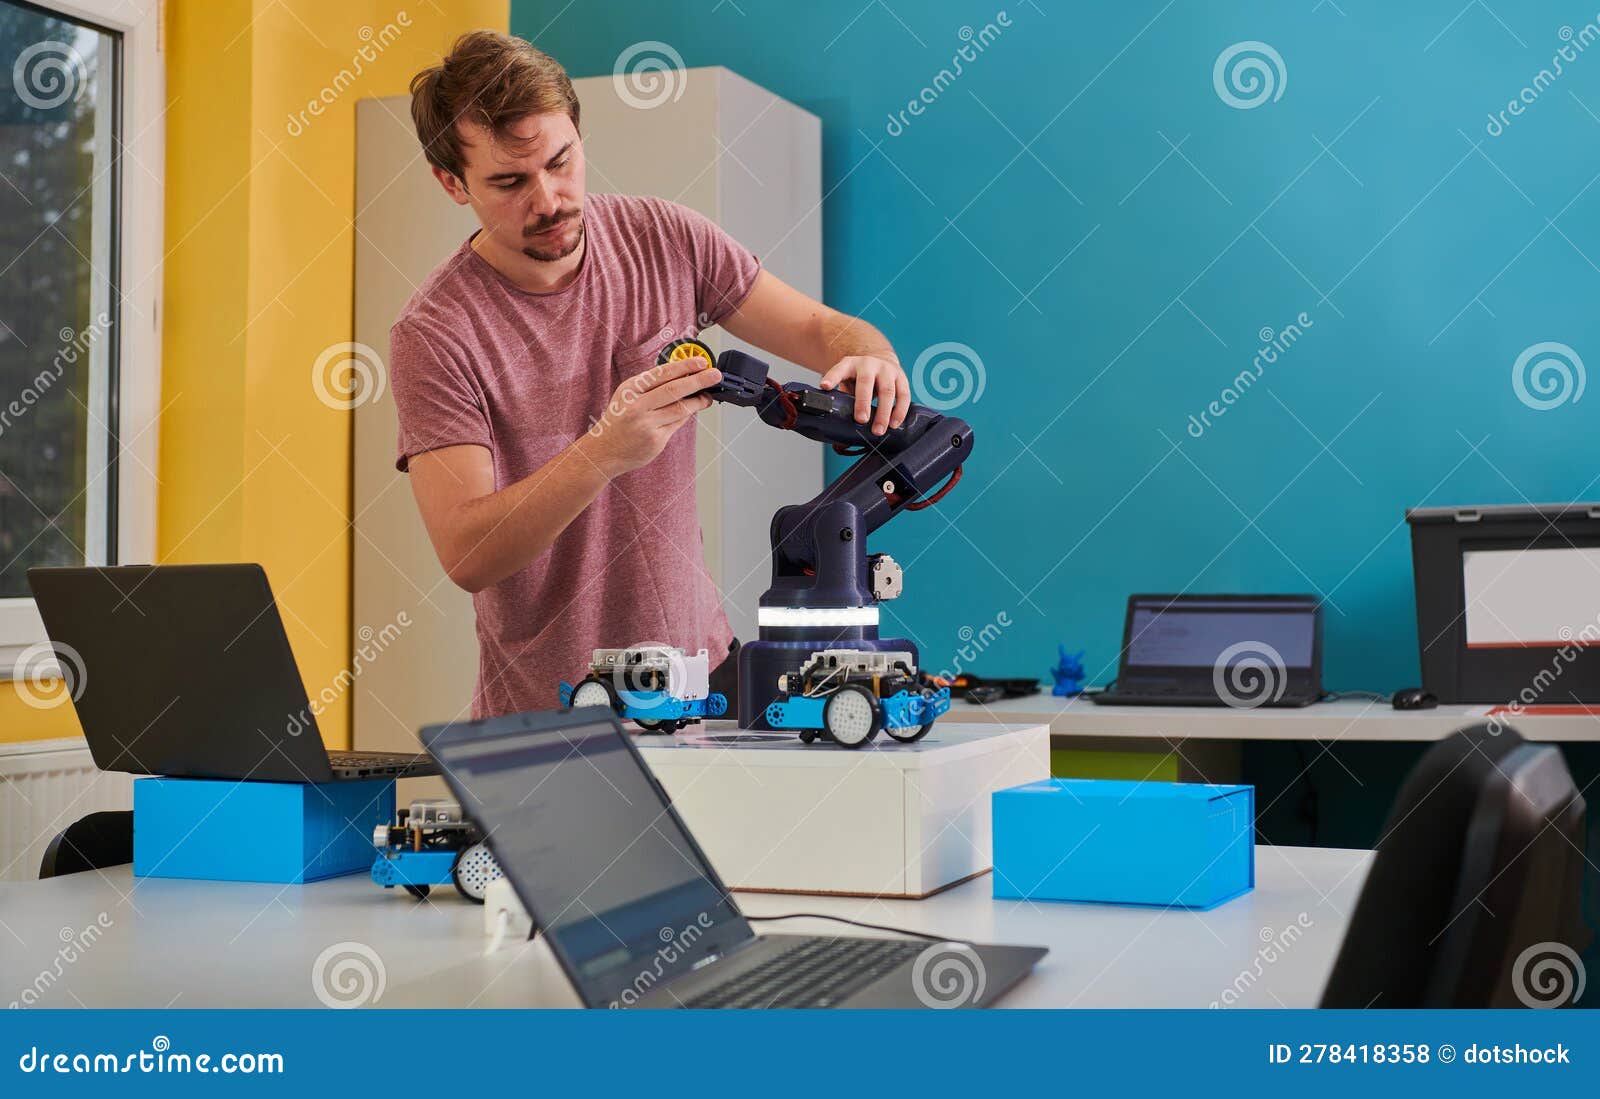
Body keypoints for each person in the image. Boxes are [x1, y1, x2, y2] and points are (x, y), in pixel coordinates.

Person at [393, 30, 913, 719]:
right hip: (550, 711)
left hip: (705, 676)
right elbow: (468, 552)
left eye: (561, 161)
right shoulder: (436, 331)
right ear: (451, 183)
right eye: (510, 182)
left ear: (578, 134)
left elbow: (822, 331)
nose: (548, 199)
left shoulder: (665, 238)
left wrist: (872, 354)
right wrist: (607, 450)